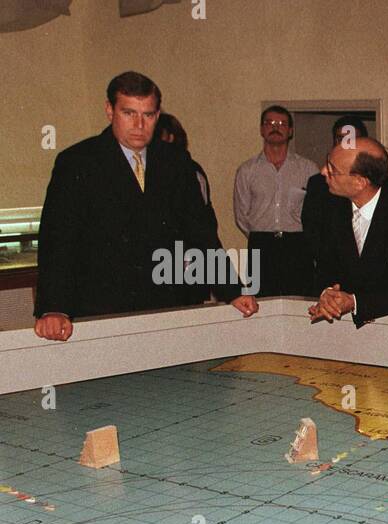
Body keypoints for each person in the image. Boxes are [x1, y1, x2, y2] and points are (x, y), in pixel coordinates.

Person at [34, 71, 241, 341]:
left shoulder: (176, 162)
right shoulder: (78, 162)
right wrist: (53, 307)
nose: (139, 125)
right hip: (101, 308)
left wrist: (232, 291)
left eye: (149, 115)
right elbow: (58, 239)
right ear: (110, 110)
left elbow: (200, 233)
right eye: (129, 113)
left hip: (166, 306)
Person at [310, 137, 388, 326]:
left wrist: (354, 302)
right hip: (341, 332)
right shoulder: (330, 207)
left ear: (360, 182)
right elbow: (324, 265)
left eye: (333, 170)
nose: (323, 172)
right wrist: (327, 294)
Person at [233, 105, 317, 299]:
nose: (275, 127)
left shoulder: (308, 169)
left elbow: (316, 213)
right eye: (269, 123)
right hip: (262, 245)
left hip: (297, 245)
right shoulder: (247, 170)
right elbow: (241, 215)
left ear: (290, 131)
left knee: (300, 301)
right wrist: (263, 235)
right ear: (262, 129)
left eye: (281, 124)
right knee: (262, 301)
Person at [301, 115, 370, 276]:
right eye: (340, 139)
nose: (345, 144)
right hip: (331, 269)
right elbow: (311, 226)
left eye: (351, 139)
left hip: (366, 269)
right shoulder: (319, 182)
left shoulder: (374, 180)